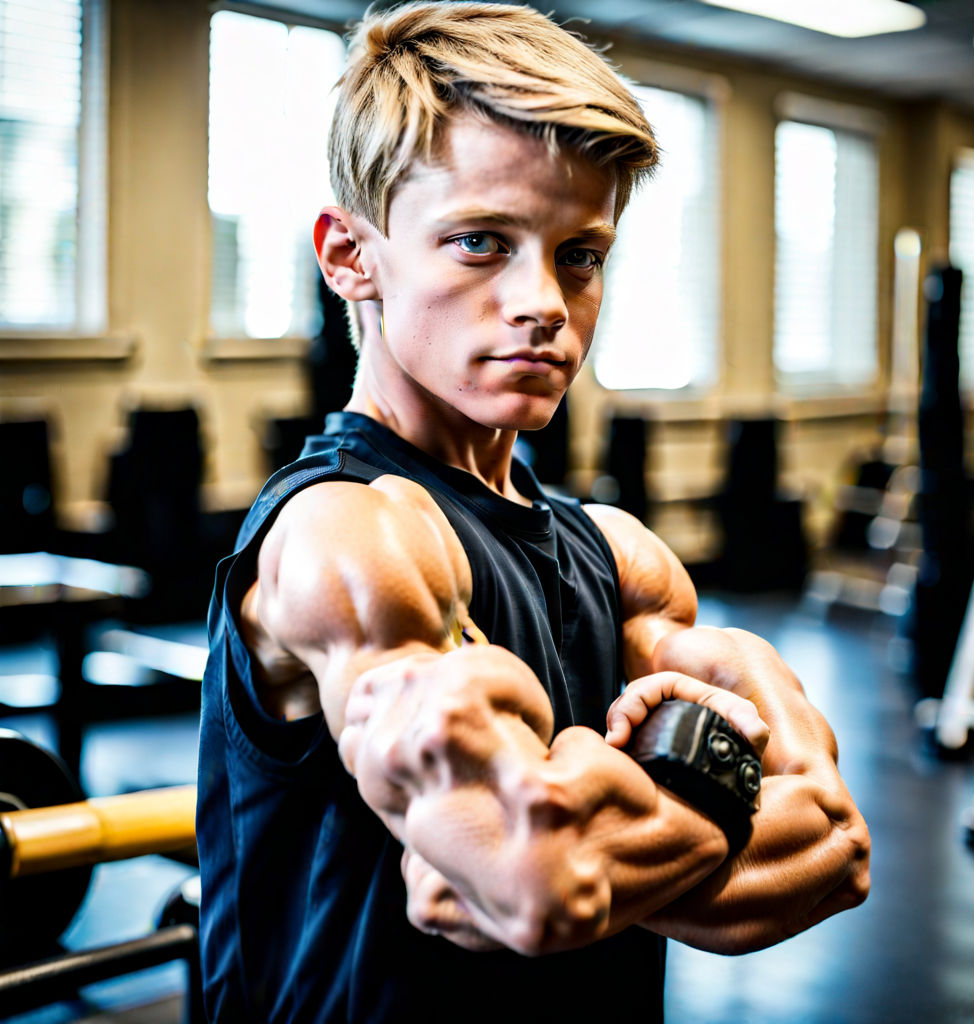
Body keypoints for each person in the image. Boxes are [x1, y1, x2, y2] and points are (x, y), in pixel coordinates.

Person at [196, 3, 871, 1021]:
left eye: (579, 255)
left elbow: (830, 843)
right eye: (480, 242)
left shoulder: (621, 558)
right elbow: (535, 881)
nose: (543, 302)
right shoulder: (346, 534)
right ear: (350, 256)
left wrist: (591, 804)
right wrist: (704, 794)